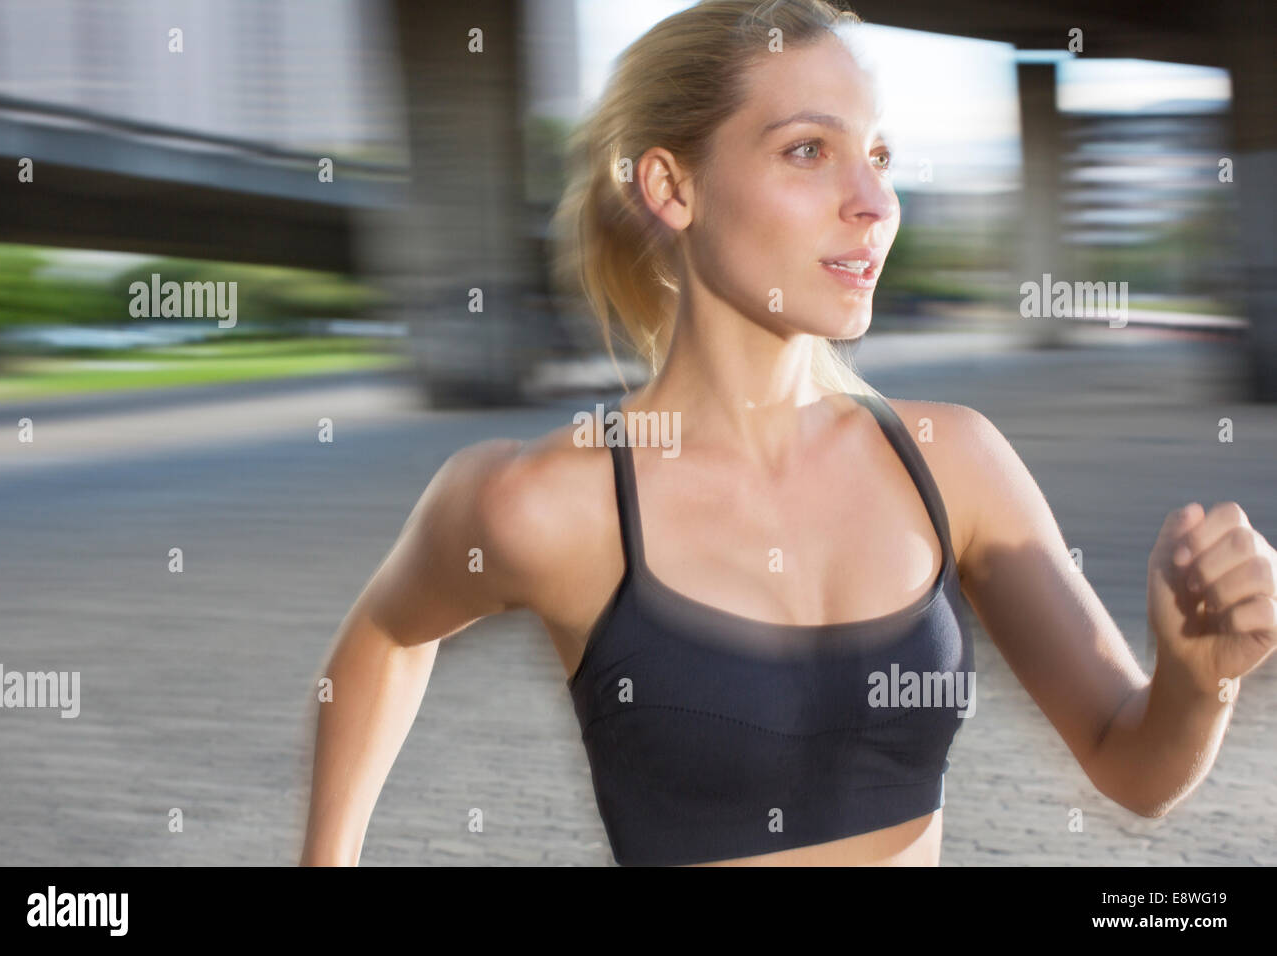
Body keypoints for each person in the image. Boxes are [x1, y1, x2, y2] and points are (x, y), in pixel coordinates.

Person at [299, 0, 1277, 866]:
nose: (875, 202)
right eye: (808, 150)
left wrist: (1197, 682)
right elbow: (385, 630)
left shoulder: (952, 464)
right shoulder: (547, 501)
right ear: (671, 189)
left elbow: (1132, 762)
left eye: (878, 156)